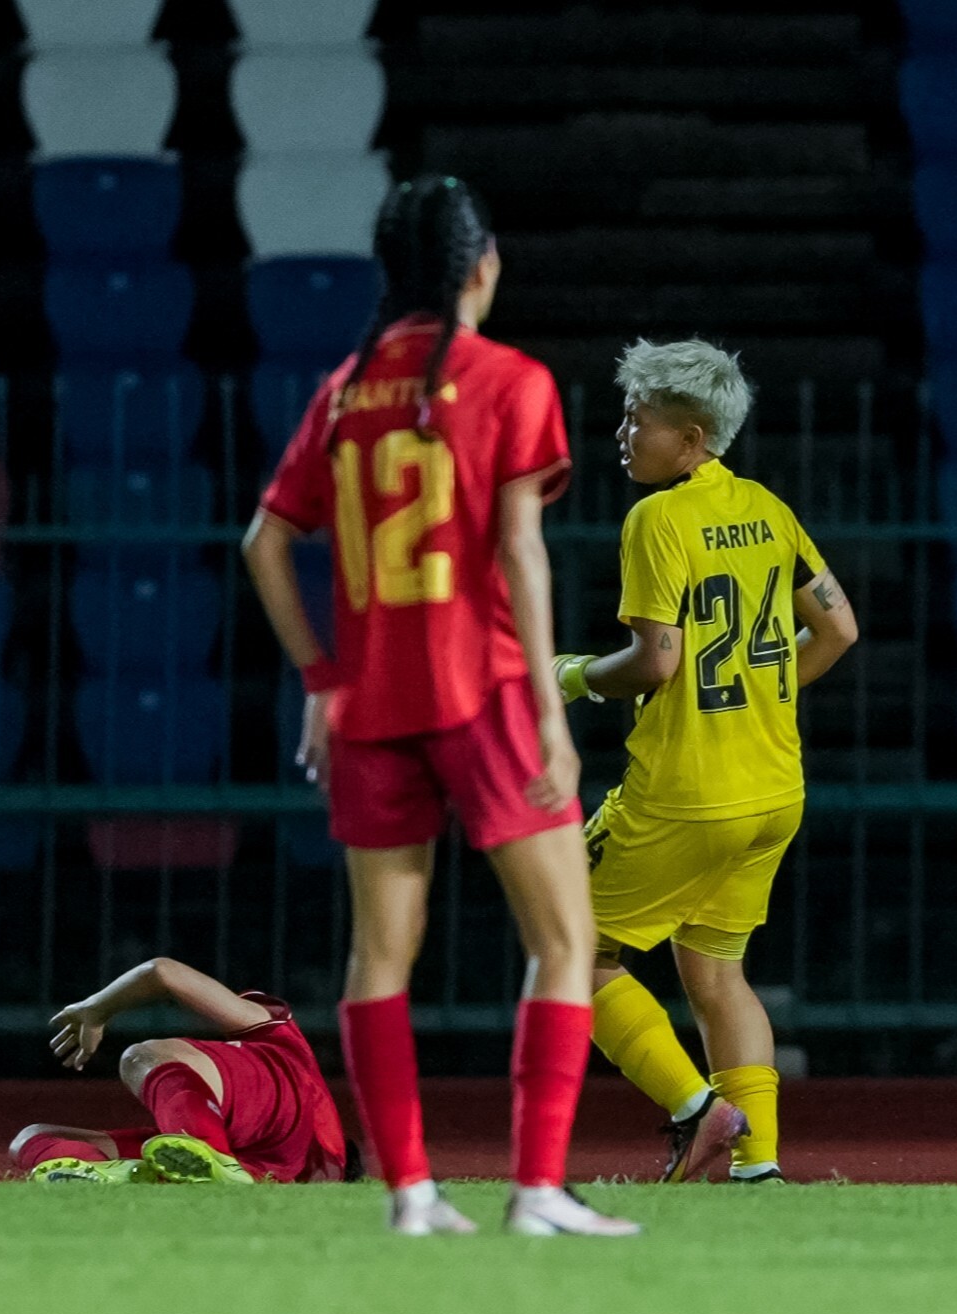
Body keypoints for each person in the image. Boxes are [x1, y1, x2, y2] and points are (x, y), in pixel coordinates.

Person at [241, 176, 637, 1237]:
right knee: (563, 938)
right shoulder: (510, 380)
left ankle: (412, 1194)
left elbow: (264, 544)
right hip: (488, 692)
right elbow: (518, 547)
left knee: (379, 953)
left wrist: (322, 682)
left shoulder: (342, 391)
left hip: (373, 706)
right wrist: (553, 714)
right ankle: (537, 1191)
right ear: (482, 264)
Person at [553, 339, 858, 1184]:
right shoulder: (768, 508)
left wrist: (570, 677)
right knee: (718, 975)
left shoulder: (657, 519)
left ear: (690, 439)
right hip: (773, 790)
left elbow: (654, 660)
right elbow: (838, 631)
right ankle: (757, 1163)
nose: (620, 432)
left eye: (637, 419)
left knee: (570, 949)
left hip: (686, 792)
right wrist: (763, 694)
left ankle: (698, 1114)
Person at [8, 957, 354, 1185]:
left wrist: (96, 1008)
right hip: (249, 1161)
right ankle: (138, 1174)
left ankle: (206, 1150)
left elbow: (163, 971)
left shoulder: (278, 1037)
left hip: (278, 1123)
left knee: (141, 1056)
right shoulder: (291, 1160)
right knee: (31, 1138)